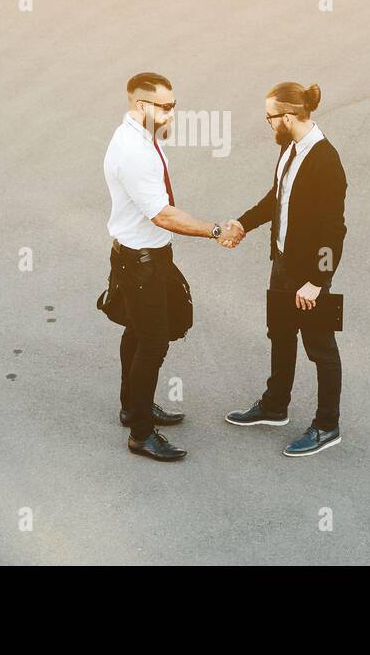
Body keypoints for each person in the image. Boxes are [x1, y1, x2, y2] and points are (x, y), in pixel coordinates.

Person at [103, 72, 229, 461]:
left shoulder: (136, 136)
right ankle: (141, 433)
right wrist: (215, 230)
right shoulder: (135, 152)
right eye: (168, 107)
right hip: (143, 263)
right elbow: (162, 215)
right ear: (142, 106)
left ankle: (132, 407)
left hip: (135, 255)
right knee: (153, 342)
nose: (174, 113)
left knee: (137, 333)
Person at [221, 81, 348, 456]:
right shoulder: (291, 147)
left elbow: (334, 230)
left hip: (310, 275)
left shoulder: (326, 161)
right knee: (279, 335)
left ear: (289, 117)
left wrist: (318, 282)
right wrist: (244, 223)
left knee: (321, 348)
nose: (268, 124)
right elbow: (278, 197)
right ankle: (275, 406)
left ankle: (328, 426)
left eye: (270, 118)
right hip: (282, 264)